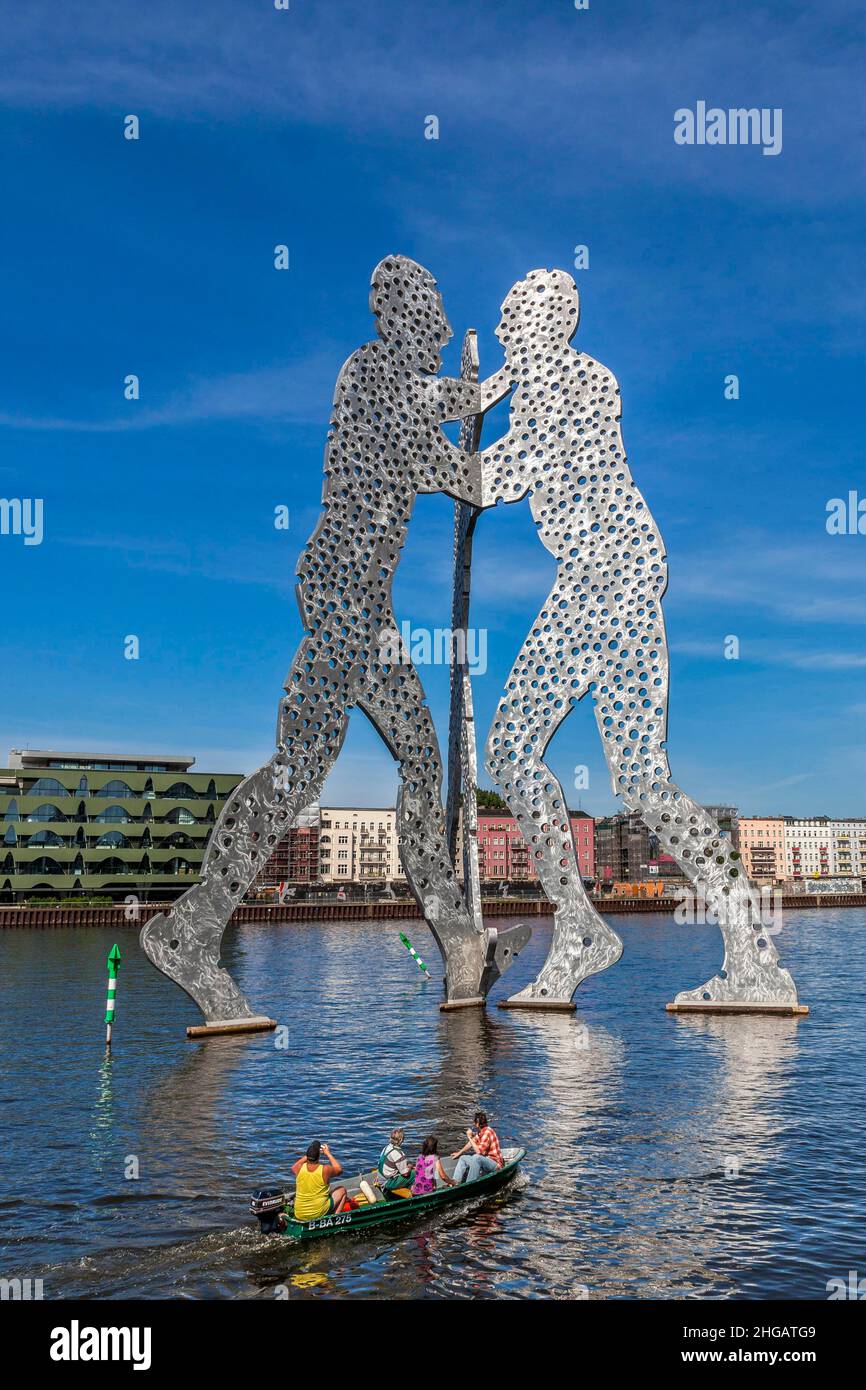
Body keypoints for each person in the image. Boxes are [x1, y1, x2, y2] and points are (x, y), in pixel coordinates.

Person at [141, 255, 517, 1018]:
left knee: (352, 765)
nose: (444, 328)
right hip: (347, 597)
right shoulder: (376, 380)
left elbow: (457, 397)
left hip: (359, 601)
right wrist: (530, 446)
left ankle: (452, 944)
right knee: (354, 768)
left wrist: (504, 383)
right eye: (433, 314)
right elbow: (466, 472)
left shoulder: (393, 383)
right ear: (401, 318)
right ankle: (195, 925)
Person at [475, 268, 799, 1011]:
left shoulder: (572, 381)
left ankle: (592, 928)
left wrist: (417, 462)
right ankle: (735, 952)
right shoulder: (553, 379)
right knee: (636, 779)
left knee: (518, 752)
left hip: (602, 579)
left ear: (546, 324)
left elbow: (501, 473)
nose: (498, 333)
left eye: (508, 318)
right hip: (610, 578)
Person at [291, 1140, 348, 1220]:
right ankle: (334, 1219)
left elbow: (294, 1166)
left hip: (299, 1213)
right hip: (317, 1213)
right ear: (318, 1157)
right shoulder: (325, 1169)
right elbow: (339, 1169)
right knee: (342, 1190)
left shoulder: (298, 1168)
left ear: (307, 1156)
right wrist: (328, 1153)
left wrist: (310, 1154)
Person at [451, 1110, 503, 1184]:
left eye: (474, 1122)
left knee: (476, 1157)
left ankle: (469, 1183)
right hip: (486, 1161)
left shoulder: (487, 1132)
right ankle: (455, 1182)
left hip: (495, 1164)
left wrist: (469, 1137)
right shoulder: (481, 1132)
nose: (473, 1123)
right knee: (463, 1158)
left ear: (477, 1124)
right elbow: (471, 1143)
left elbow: (479, 1152)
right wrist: (459, 1153)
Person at [377, 1126, 415, 1200]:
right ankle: (414, 1194)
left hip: (381, 1179)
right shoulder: (398, 1153)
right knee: (415, 1173)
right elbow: (405, 1173)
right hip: (388, 1183)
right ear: (401, 1140)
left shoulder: (386, 1148)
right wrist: (410, 1167)